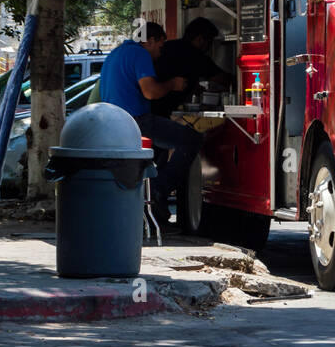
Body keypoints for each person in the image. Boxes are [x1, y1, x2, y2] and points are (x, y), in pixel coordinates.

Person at [98, 21, 199, 225]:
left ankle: (153, 199)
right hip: (135, 121)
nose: (160, 54)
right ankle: (160, 189)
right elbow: (150, 92)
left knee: (158, 151)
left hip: (112, 122)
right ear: (150, 41)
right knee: (191, 140)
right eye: (161, 47)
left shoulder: (116, 53)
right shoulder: (140, 53)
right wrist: (173, 84)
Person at [151, 16, 233, 118]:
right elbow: (222, 78)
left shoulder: (168, 46)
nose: (210, 47)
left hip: (150, 107)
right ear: (199, 39)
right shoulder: (196, 56)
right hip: (163, 110)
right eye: (209, 42)